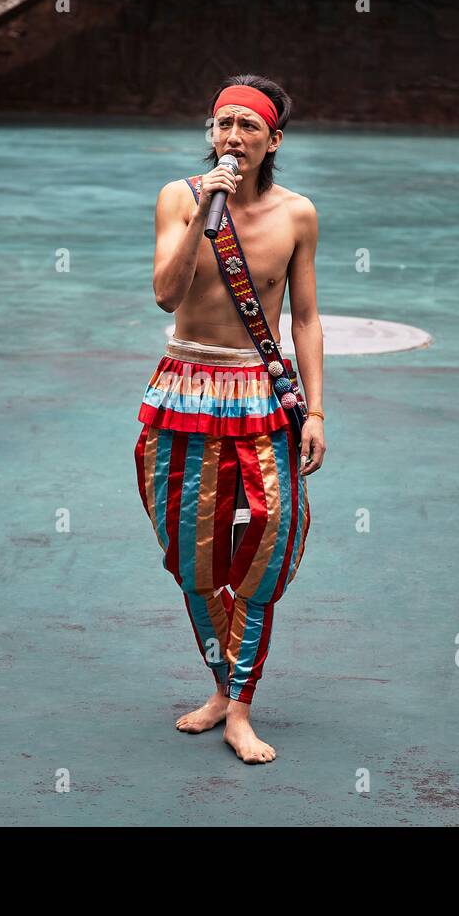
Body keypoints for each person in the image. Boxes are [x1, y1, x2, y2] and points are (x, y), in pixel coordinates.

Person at [133, 74, 326, 764]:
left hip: (262, 396)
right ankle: (221, 686)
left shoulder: (297, 214)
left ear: (273, 140)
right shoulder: (179, 199)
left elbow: (303, 318)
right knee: (192, 552)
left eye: (248, 126)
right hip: (184, 389)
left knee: (269, 539)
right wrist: (203, 211)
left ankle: (241, 706)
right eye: (223, 124)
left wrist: (316, 410)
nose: (232, 137)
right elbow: (164, 294)